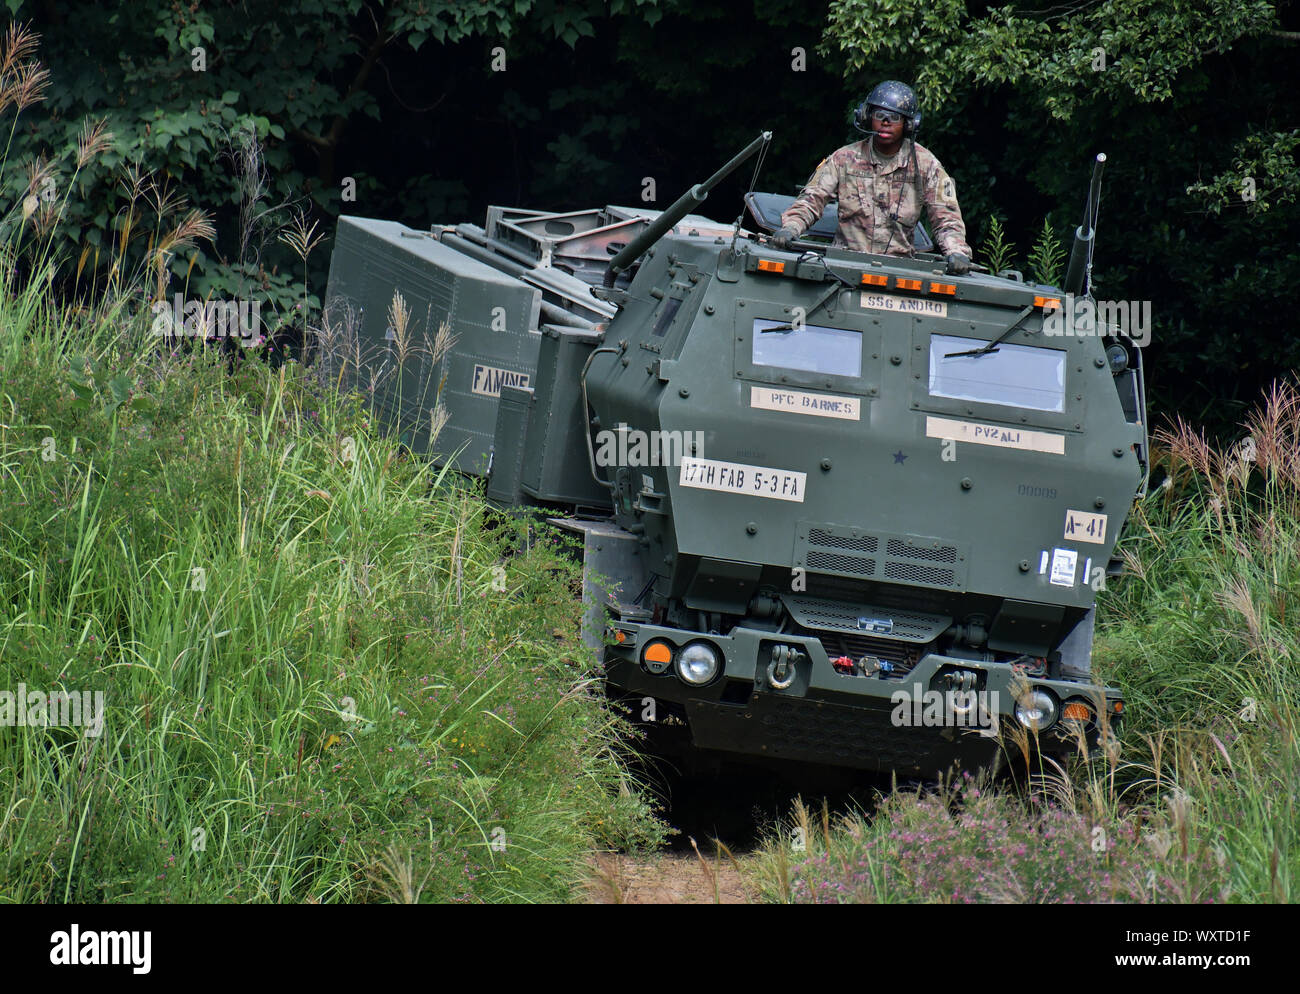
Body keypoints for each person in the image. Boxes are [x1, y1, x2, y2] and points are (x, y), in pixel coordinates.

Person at [771, 81, 973, 275]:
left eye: (894, 117)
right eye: (879, 115)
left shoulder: (927, 166)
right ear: (867, 117)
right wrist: (791, 228)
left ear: (909, 124)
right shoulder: (843, 159)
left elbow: (946, 216)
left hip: (899, 270)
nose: (885, 122)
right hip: (842, 265)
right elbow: (811, 200)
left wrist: (956, 251)